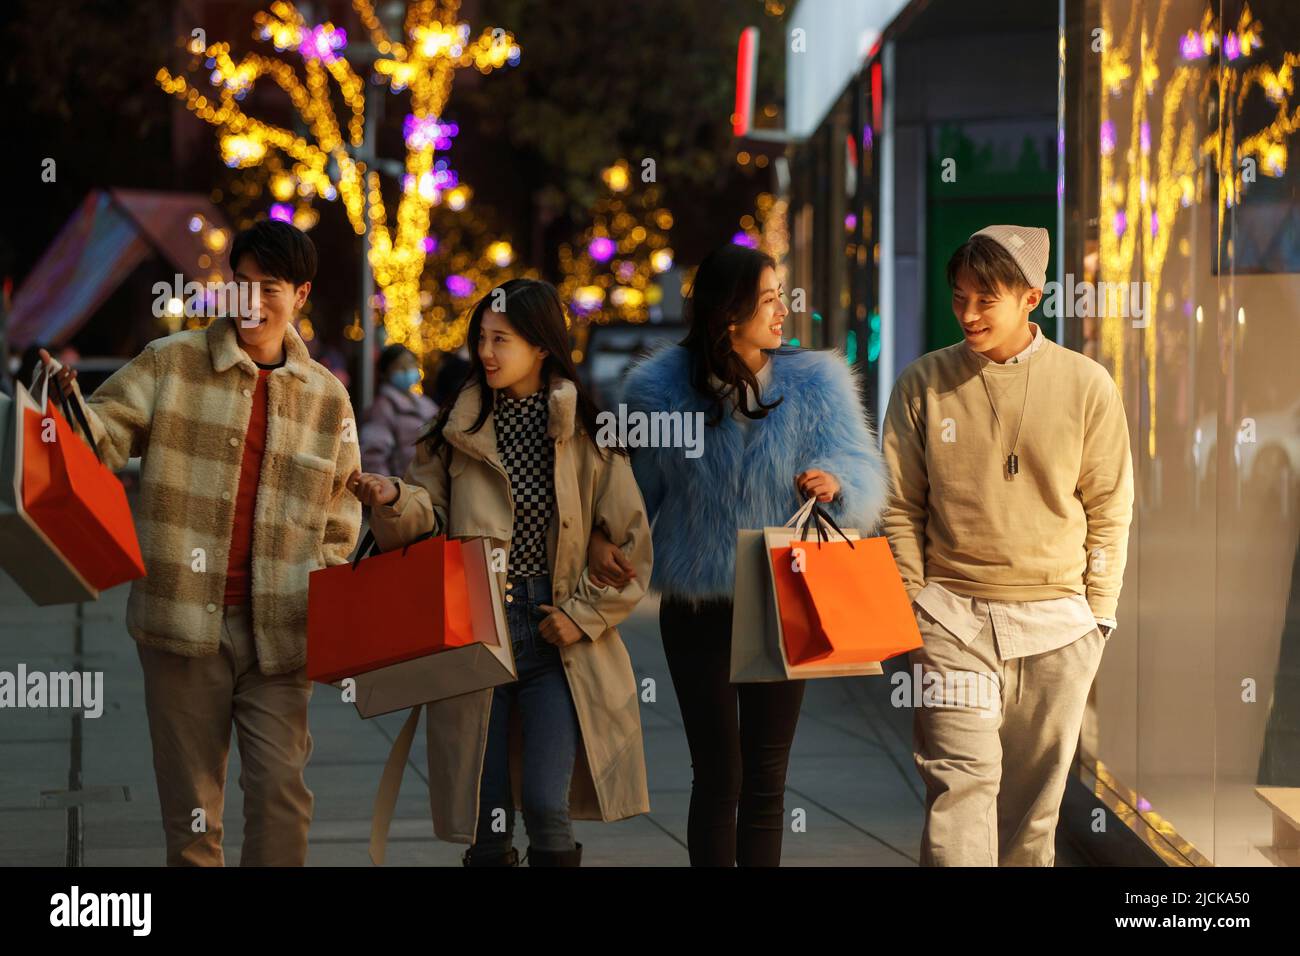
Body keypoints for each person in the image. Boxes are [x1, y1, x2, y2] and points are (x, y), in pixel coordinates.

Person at [42, 220, 361, 866]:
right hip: (182, 624)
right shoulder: (173, 363)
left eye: (267, 288)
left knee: (280, 797)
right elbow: (100, 438)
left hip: (282, 636)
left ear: (300, 296)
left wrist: (327, 598)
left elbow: (340, 518)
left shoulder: (328, 398)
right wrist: (63, 401)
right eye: (240, 284)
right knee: (192, 819)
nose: (249, 301)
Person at [590, 243, 888, 866]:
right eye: (768, 299)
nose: (783, 311)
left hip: (786, 596)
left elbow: (861, 467)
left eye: (782, 297)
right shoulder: (658, 388)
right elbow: (632, 490)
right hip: (697, 605)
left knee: (766, 779)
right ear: (729, 313)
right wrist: (605, 539)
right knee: (717, 774)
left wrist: (837, 481)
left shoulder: (817, 381)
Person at [348, 278, 653, 867]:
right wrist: (390, 497)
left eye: (501, 339)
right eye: (481, 339)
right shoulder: (452, 434)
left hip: (553, 636)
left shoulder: (587, 435)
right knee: (485, 817)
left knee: (544, 802)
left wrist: (581, 616)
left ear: (541, 346)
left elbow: (632, 547)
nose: (485, 352)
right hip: (473, 635)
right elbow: (427, 516)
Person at [880, 224, 1134, 866]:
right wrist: (916, 604)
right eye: (960, 296)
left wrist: (1097, 615)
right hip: (953, 621)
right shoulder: (922, 383)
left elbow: (1110, 508)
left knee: (1031, 816)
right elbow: (898, 505)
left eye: (984, 299)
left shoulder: (1086, 385)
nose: (967, 313)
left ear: (1030, 296)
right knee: (960, 790)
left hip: (1057, 627)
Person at [360, 343, 437, 476]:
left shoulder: (426, 403)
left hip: (428, 486)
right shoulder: (382, 408)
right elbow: (373, 455)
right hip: (403, 489)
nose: (407, 370)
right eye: (400, 367)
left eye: (411, 364)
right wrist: (388, 489)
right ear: (385, 372)